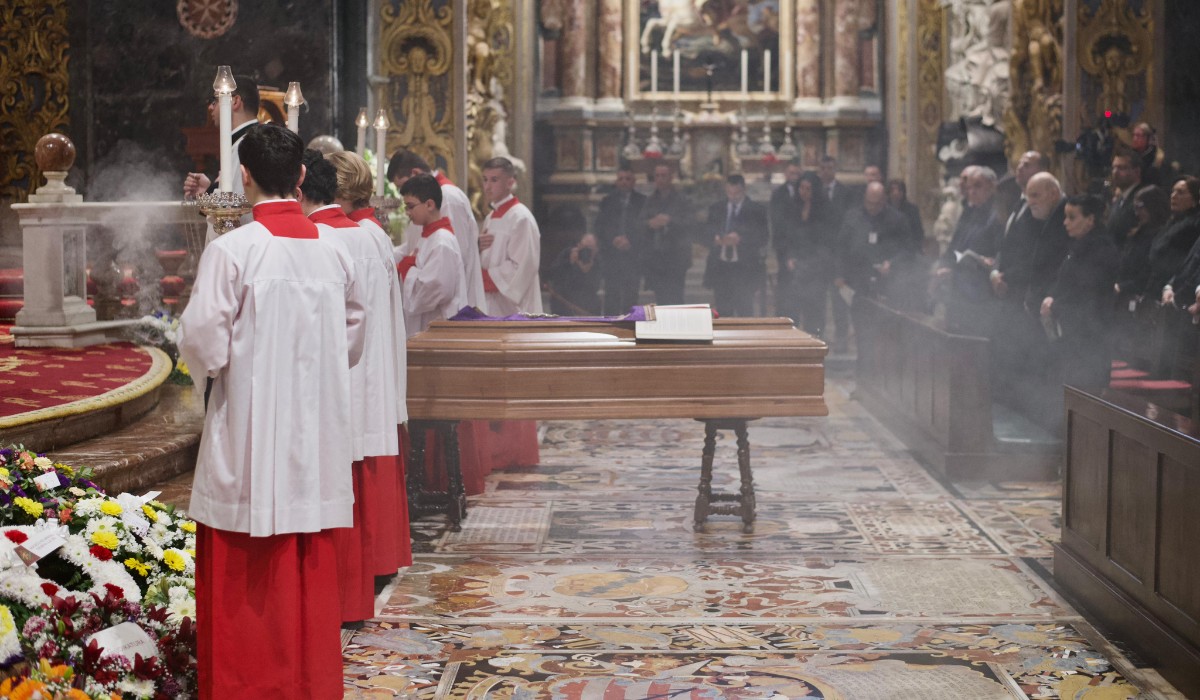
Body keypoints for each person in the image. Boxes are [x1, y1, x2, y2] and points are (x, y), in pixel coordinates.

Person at [179, 124, 366, 698]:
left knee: (248, 564)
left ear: (245, 177)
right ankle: (308, 680)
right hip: (316, 430)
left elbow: (202, 339)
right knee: (308, 557)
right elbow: (354, 333)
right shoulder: (334, 251)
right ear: (303, 177)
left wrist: (213, 375)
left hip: (252, 427)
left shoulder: (232, 250)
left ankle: (247, 684)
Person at [297, 149, 407, 629]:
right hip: (371, 366)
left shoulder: (324, 238)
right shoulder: (371, 236)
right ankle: (370, 570)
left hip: (344, 372)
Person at [326, 149, 412, 585]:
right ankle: (380, 557)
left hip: (357, 366)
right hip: (375, 361)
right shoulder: (371, 233)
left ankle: (365, 563)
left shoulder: (347, 237)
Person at [388, 148, 486, 312]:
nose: (403, 195)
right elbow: (415, 245)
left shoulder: (449, 197)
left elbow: (456, 257)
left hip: (449, 308)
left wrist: (410, 269)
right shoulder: (423, 205)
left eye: (402, 186)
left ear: (415, 172)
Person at [1041, 194, 1121, 389]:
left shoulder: (1102, 248)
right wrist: (1051, 296)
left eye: (1072, 217)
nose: (1065, 222)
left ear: (1091, 219)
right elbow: (1063, 280)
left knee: (1085, 389)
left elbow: (1087, 290)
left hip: (1090, 335)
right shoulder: (1079, 245)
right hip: (1073, 330)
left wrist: (1056, 305)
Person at [182, 75, 261, 240]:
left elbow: (242, 212)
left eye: (214, 100)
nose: (210, 108)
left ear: (234, 101)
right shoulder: (243, 143)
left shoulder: (248, 146)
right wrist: (210, 190)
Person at [396, 173, 468, 333]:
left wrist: (407, 269)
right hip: (428, 324)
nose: (407, 212)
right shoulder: (429, 237)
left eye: (410, 206)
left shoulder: (442, 242)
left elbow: (436, 289)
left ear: (429, 204)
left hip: (440, 328)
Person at [935, 166, 1004, 336]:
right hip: (958, 290)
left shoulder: (997, 215)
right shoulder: (969, 212)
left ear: (991, 186)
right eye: (970, 187)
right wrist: (945, 266)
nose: (972, 192)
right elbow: (954, 246)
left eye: (978, 186)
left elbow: (1000, 252)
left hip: (980, 295)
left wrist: (988, 261)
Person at [478, 157, 543, 315]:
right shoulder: (490, 217)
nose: (487, 187)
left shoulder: (521, 218)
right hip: (490, 303)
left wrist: (480, 278)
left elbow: (522, 267)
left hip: (513, 308)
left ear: (510, 182)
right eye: (485, 180)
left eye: (494, 180)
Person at [704, 174, 768, 317]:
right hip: (721, 267)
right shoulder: (717, 208)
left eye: (737, 193)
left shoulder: (756, 210)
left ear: (744, 190)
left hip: (744, 268)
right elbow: (705, 232)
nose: (733, 197)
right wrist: (715, 238)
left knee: (745, 310)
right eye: (729, 193)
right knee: (722, 311)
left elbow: (763, 237)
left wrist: (741, 238)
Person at [776, 171, 830, 335]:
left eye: (808, 188)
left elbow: (827, 240)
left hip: (815, 270)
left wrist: (813, 262)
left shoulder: (825, 209)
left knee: (814, 315)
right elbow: (782, 236)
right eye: (801, 188)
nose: (804, 192)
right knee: (789, 312)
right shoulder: (790, 207)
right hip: (792, 268)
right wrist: (788, 257)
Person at [594, 165, 647, 315]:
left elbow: (644, 226)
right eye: (621, 179)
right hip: (612, 254)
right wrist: (613, 239)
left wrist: (630, 240)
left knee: (631, 293)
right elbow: (600, 225)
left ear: (634, 181)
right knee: (611, 292)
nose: (624, 182)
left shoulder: (642, 201)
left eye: (628, 179)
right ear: (617, 181)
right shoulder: (607, 201)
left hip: (633, 254)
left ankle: (630, 324)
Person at [640, 162, 694, 305]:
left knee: (675, 296)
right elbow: (641, 222)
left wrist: (669, 221)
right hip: (656, 256)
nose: (660, 179)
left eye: (664, 176)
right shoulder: (650, 200)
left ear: (671, 177)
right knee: (660, 297)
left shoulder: (682, 199)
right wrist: (650, 223)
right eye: (657, 176)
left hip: (676, 255)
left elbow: (690, 222)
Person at [819, 155, 857, 349]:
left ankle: (841, 339)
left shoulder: (845, 193)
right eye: (823, 168)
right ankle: (817, 339)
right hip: (819, 253)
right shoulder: (814, 190)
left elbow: (850, 219)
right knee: (816, 299)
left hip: (839, 253)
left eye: (830, 168)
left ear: (835, 169)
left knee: (839, 300)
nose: (827, 171)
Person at [1114, 184, 1168, 309]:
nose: (1137, 213)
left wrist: (1124, 287)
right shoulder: (1138, 233)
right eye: (1135, 208)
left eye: (1140, 207)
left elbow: (1150, 270)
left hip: (1139, 295)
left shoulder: (1160, 235)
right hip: (1123, 291)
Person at [1145, 176, 1200, 297]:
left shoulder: (1193, 225)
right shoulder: (1173, 221)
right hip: (1156, 284)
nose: (1173, 196)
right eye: (1173, 191)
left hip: (1172, 287)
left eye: (1180, 192)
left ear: (1195, 199)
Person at [545, 232, 602, 315]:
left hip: (585, 306)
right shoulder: (568, 254)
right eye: (583, 247)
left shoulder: (597, 262)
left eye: (590, 248)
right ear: (578, 245)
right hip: (563, 302)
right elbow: (552, 274)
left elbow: (595, 287)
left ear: (596, 249)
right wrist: (569, 262)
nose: (586, 251)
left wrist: (586, 272)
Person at [1106, 150, 1150, 245]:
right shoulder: (1120, 199)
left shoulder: (1144, 198)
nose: (1115, 172)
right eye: (1114, 167)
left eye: (1122, 168)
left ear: (1137, 171)